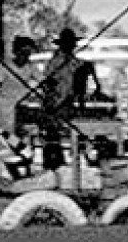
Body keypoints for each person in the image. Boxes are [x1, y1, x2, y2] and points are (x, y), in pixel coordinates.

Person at [35, 29, 96, 170]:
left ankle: (77, 160)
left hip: (70, 101)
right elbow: (48, 81)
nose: (71, 46)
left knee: (75, 131)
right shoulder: (55, 61)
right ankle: (53, 163)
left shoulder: (74, 60)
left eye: (72, 44)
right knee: (53, 134)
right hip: (56, 101)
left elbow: (84, 69)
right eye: (69, 44)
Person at [0, 35, 38, 135]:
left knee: (21, 133)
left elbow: (43, 81)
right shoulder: (4, 66)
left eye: (29, 53)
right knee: (6, 135)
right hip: (5, 106)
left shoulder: (31, 67)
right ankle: (13, 147)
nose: (26, 56)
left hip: (22, 105)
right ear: (17, 52)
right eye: (24, 52)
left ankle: (20, 148)